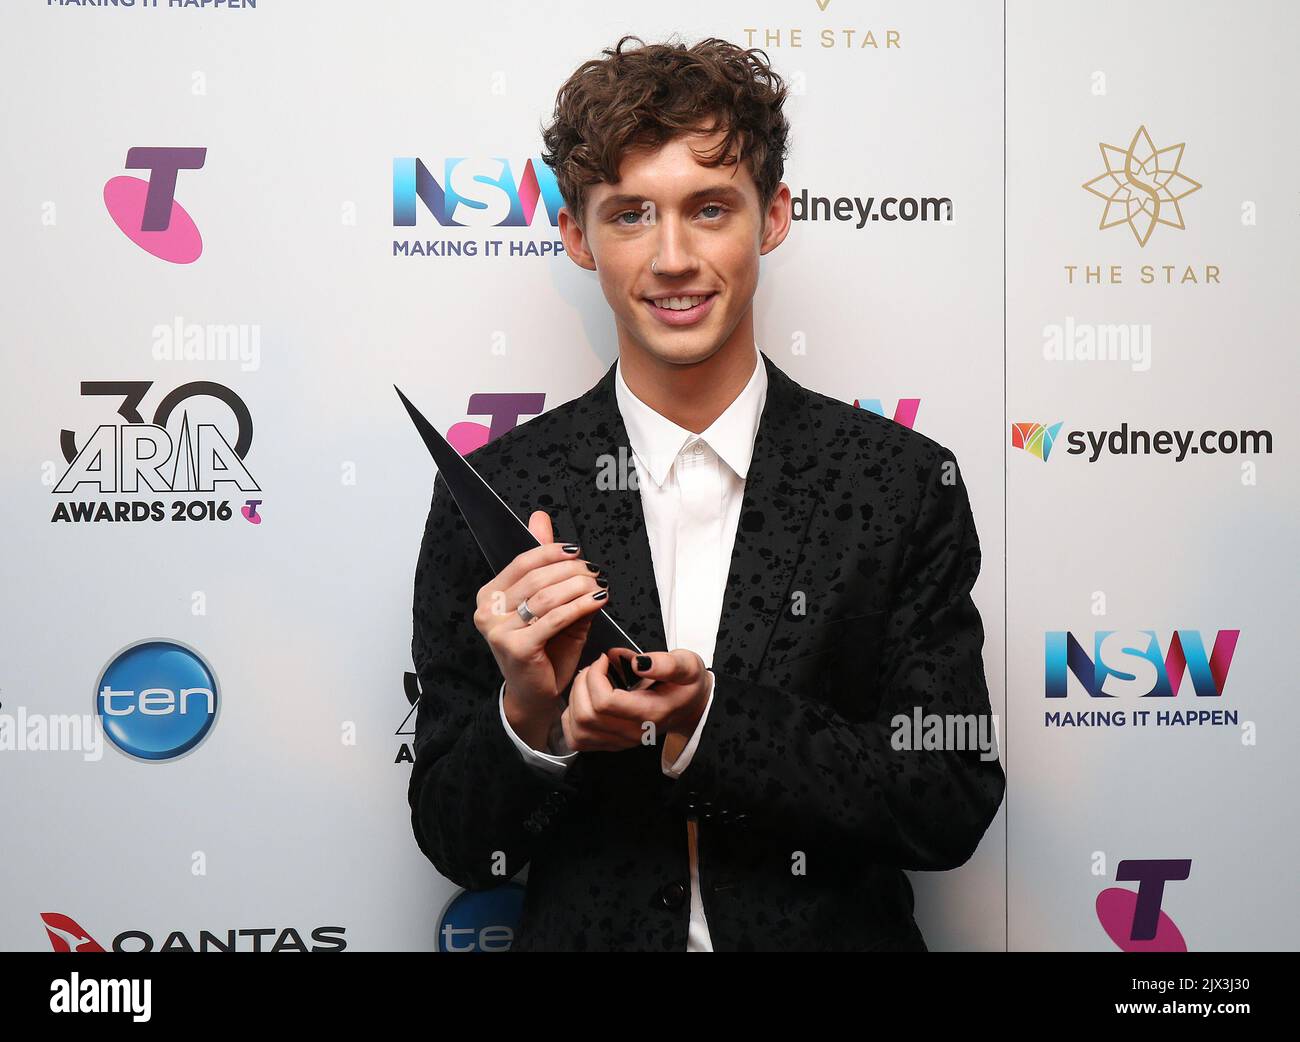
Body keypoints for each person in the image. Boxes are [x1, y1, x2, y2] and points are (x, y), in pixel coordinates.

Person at [408, 34, 1005, 952]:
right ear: (577, 236)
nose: (674, 256)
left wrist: (709, 719)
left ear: (772, 218)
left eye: (710, 208)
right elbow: (456, 840)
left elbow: (946, 801)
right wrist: (531, 719)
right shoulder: (494, 492)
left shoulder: (899, 485)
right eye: (632, 214)